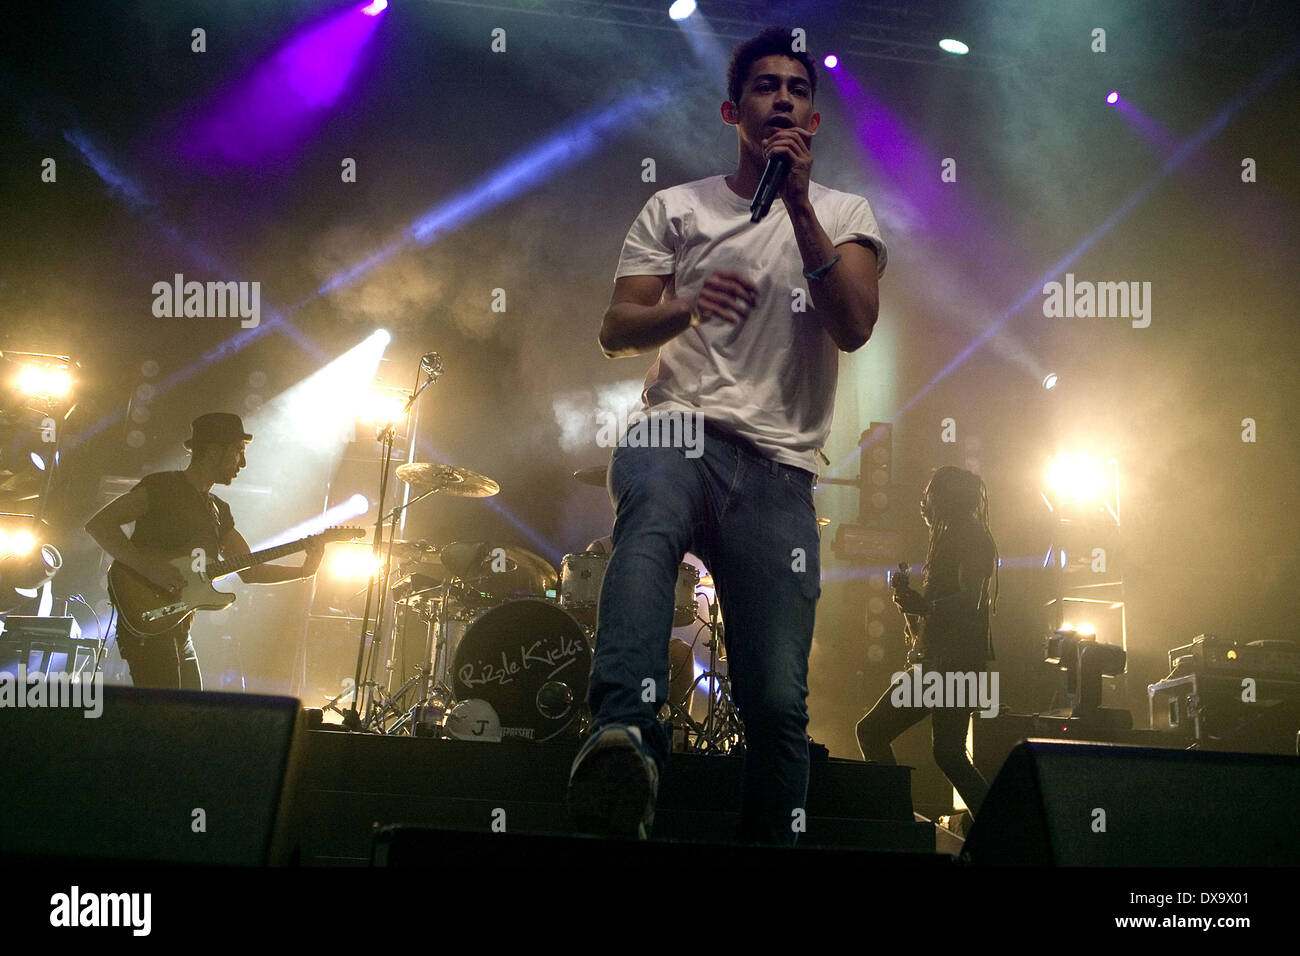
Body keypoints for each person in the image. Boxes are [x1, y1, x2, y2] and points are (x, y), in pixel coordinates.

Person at [567, 26, 887, 845]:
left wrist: (800, 208)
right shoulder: (675, 207)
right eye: (765, 86)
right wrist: (687, 304)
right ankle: (624, 737)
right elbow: (616, 329)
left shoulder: (847, 215)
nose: (782, 98)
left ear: (811, 120)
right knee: (647, 534)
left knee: (777, 701)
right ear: (731, 107)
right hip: (677, 427)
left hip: (781, 468)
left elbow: (852, 325)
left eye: (798, 89)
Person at [85, 412, 324, 690]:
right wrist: (149, 568)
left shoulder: (218, 510)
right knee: (166, 715)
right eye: (238, 452)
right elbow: (100, 525)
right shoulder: (163, 487)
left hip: (179, 626)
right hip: (148, 622)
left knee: (190, 714)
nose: (243, 463)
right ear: (212, 451)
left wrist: (306, 570)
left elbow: (251, 570)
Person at [855, 466, 999, 821]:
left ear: (946, 497)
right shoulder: (949, 538)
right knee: (947, 753)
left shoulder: (973, 537)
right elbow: (935, 617)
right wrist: (909, 608)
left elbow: (972, 602)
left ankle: (897, 820)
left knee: (875, 732)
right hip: (942, 661)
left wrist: (925, 606)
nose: (925, 499)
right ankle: (997, 833)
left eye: (931, 492)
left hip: (956, 663)